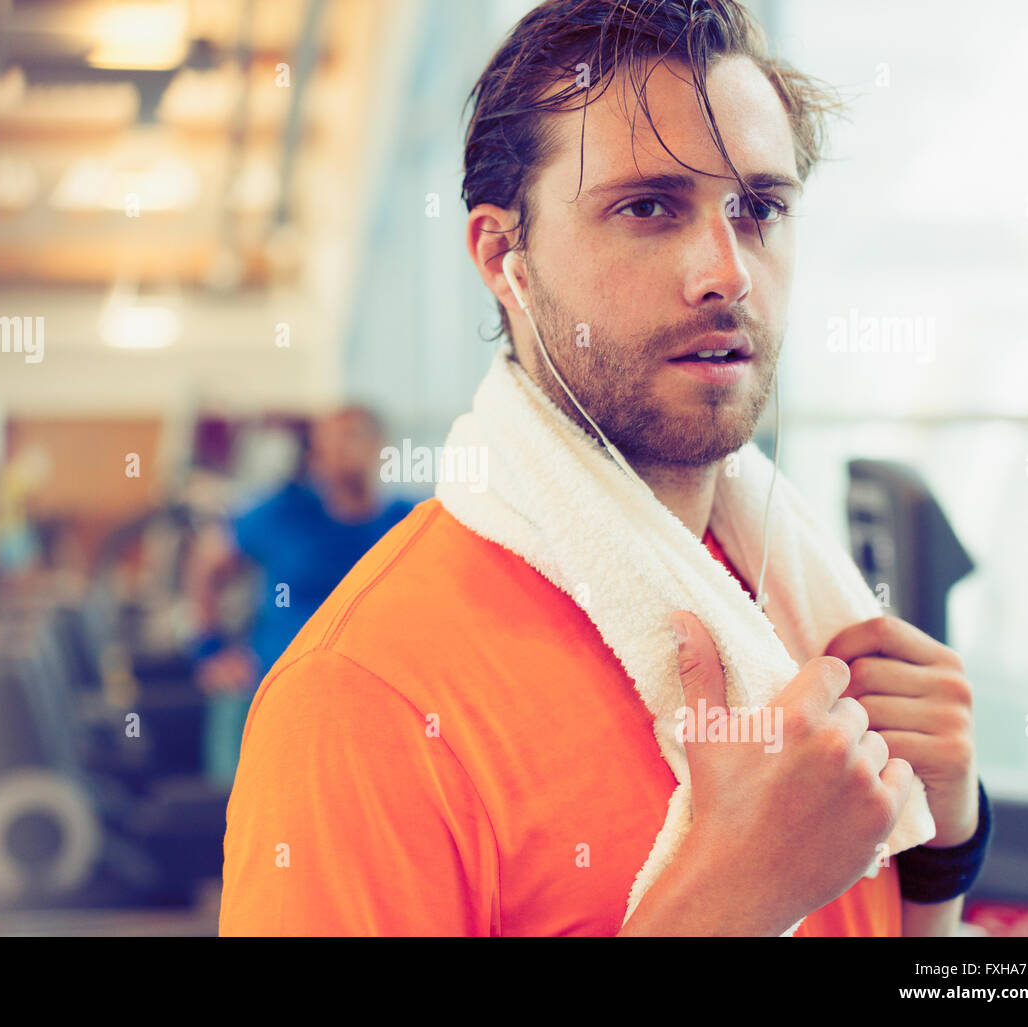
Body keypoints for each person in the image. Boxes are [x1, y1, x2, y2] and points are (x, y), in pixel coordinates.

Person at [219, 0, 983, 936]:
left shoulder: (801, 611)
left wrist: (944, 857)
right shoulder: (363, 701)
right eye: (649, 206)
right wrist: (714, 912)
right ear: (505, 257)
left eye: (760, 208)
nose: (727, 271)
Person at [188, 406, 415, 790]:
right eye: (325, 443)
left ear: (379, 446)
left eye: (350, 437)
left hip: (376, 707)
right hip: (278, 697)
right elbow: (207, 564)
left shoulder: (409, 521)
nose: (335, 451)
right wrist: (209, 648)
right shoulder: (284, 513)